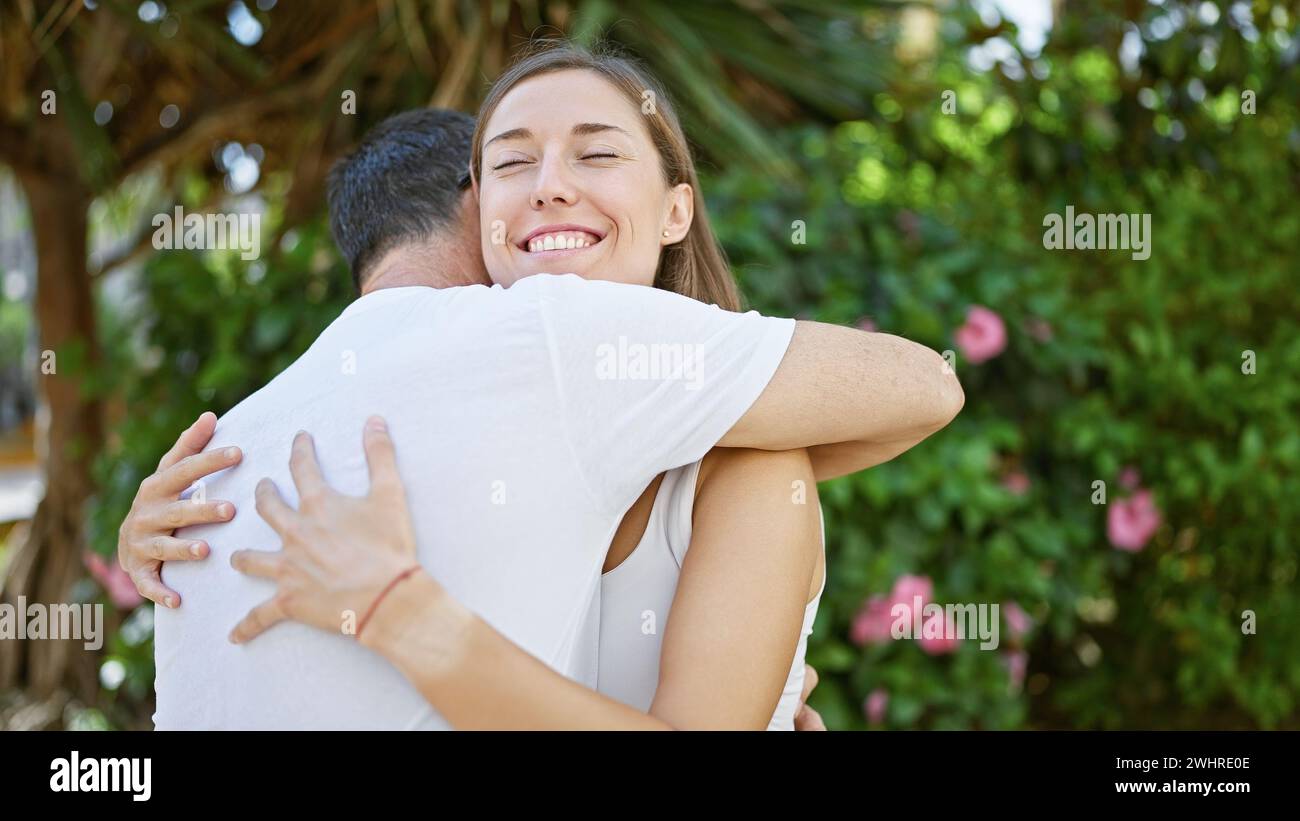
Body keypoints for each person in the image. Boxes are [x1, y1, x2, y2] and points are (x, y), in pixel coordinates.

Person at [121, 46, 963, 730]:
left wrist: (402, 614)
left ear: (677, 209)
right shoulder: (518, 367)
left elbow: (927, 385)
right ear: (475, 209)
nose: (551, 184)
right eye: (514, 163)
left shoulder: (238, 442)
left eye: (596, 152)